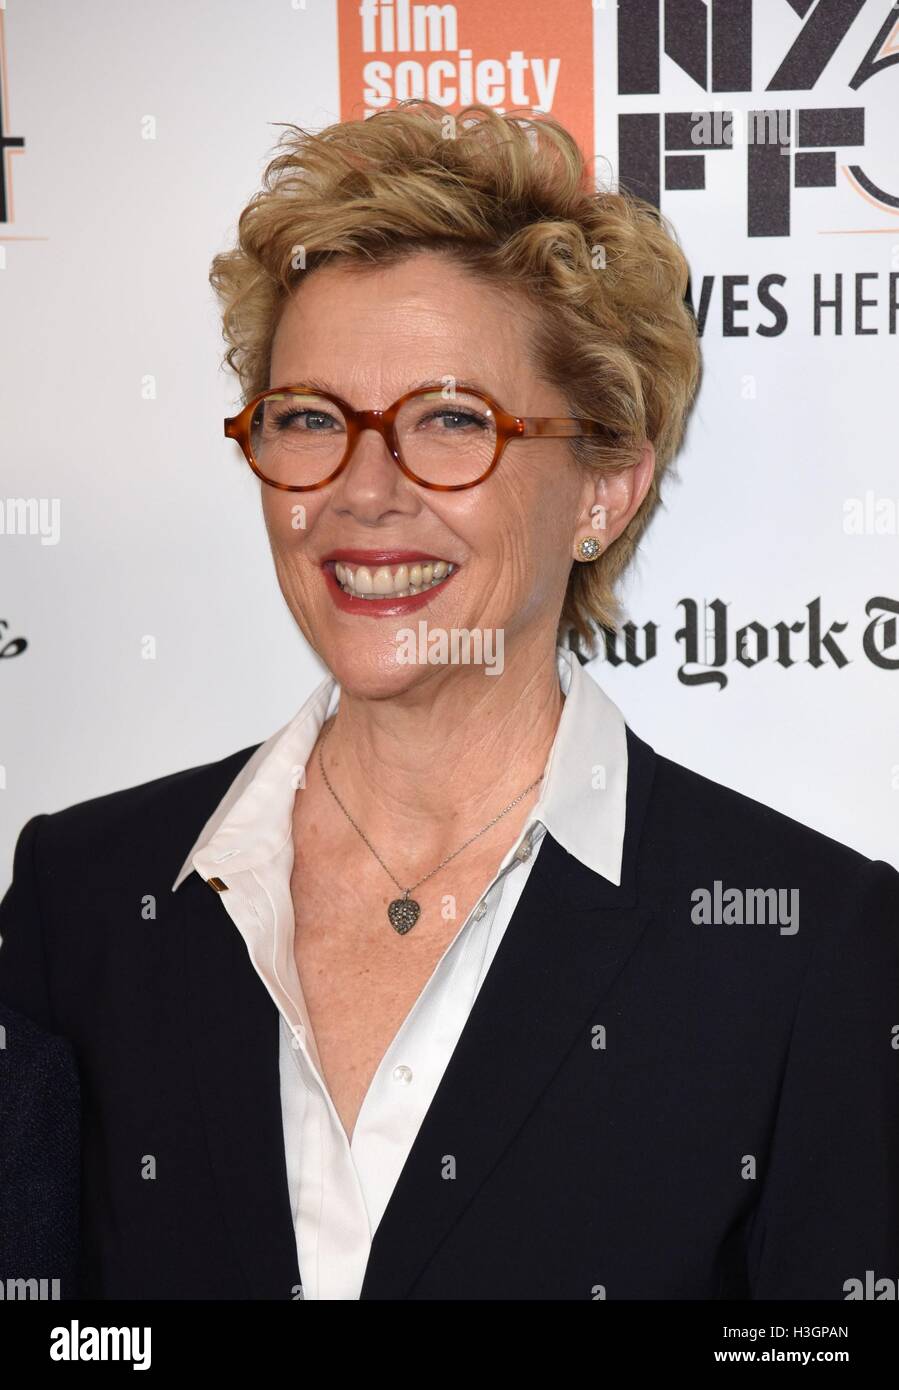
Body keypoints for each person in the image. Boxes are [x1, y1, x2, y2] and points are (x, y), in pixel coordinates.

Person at [0, 101, 896, 1300]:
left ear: (604, 491)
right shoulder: (86, 896)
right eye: (311, 419)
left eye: (449, 423)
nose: (361, 492)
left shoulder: (810, 940)